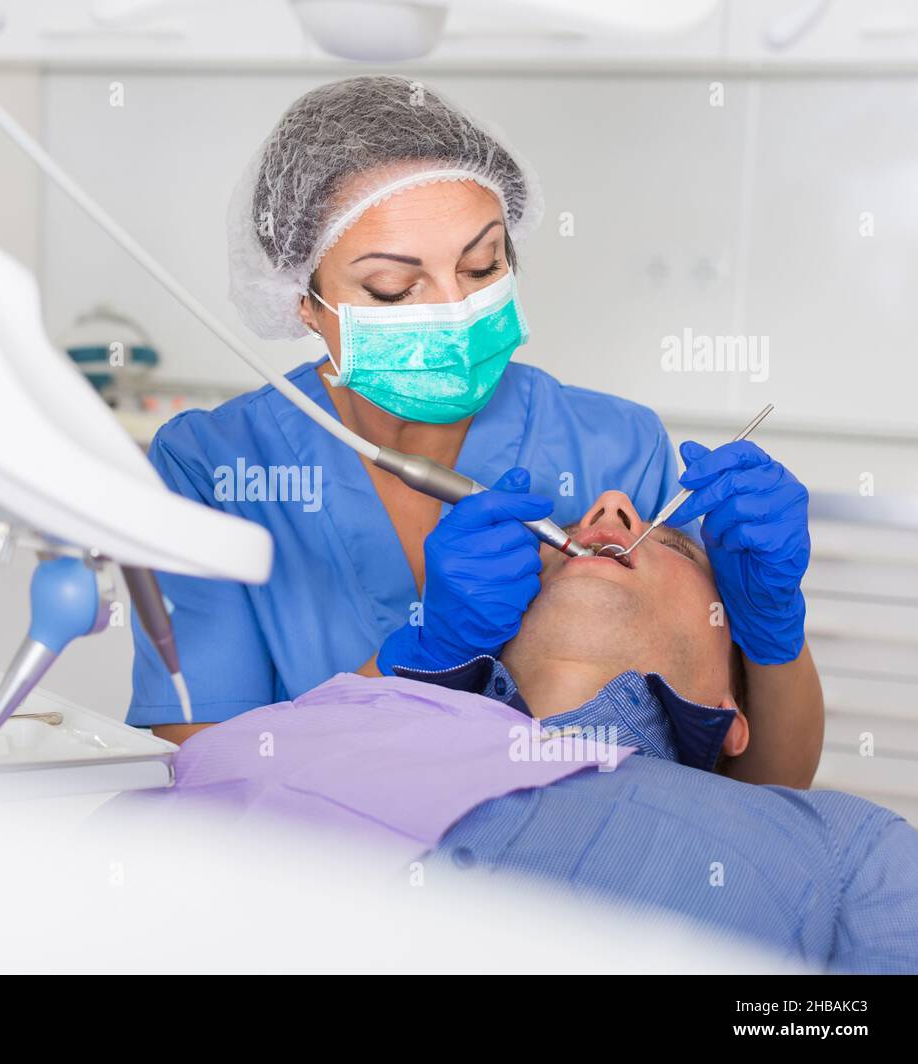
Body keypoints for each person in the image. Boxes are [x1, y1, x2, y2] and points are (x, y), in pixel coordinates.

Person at [129, 74, 822, 787]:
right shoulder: (216, 467)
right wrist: (419, 657)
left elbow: (758, 786)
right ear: (303, 300)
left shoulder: (616, 446)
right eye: (395, 288)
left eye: (481, 265)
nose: (455, 308)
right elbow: (201, 779)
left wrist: (772, 628)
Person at [119, 491, 918, 973]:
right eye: (569, 530)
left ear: (730, 713)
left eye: (670, 540)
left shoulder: (848, 848)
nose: (611, 512)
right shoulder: (291, 733)